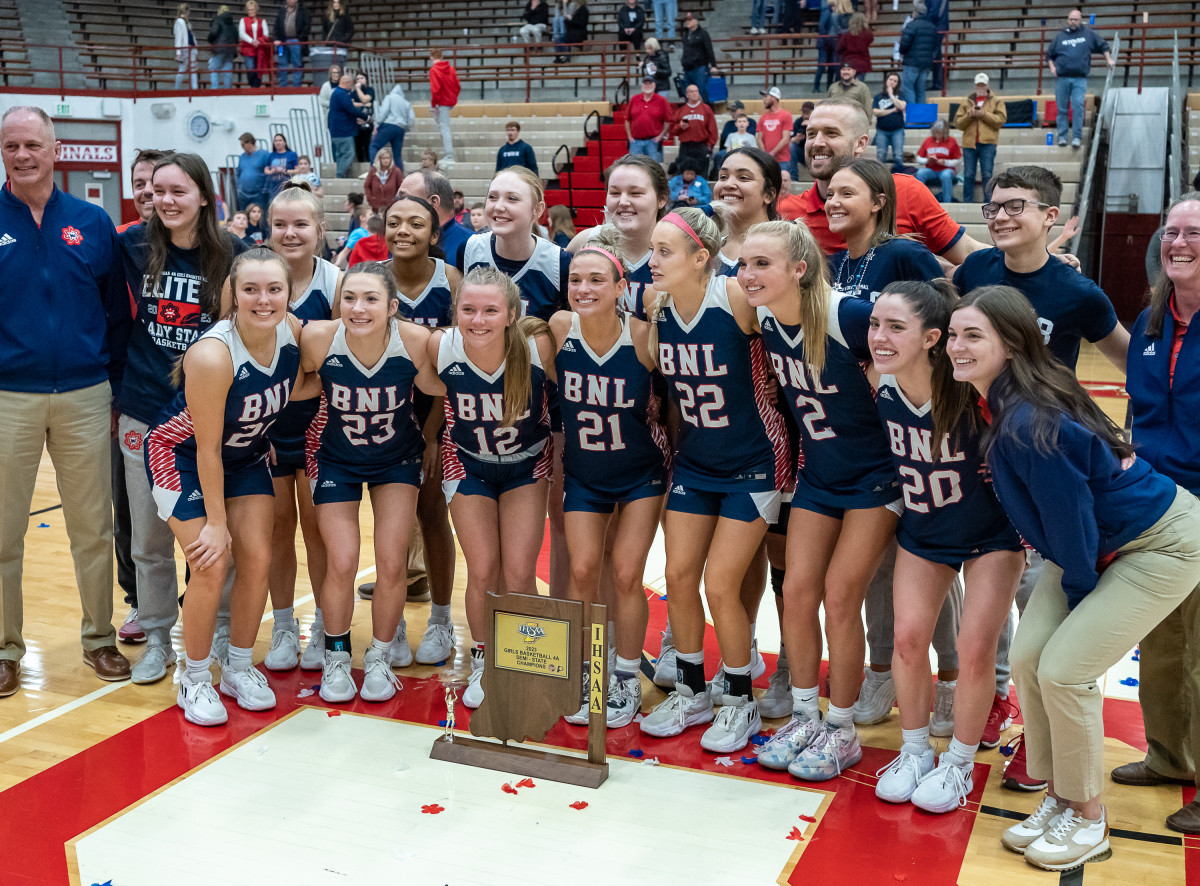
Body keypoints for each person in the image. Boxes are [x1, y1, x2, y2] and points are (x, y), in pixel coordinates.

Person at [949, 285, 1200, 872]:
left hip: (1161, 543)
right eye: (954, 334)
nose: (957, 347)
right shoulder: (1006, 398)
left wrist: (1083, 593)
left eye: (973, 336)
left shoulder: (1026, 419)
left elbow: (1072, 518)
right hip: (1099, 543)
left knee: (1065, 669)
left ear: (1012, 344)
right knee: (1034, 656)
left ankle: (1089, 819)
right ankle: (1059, 796)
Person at [862, 280, 1025, 814]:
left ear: (933, 338)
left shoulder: (965, 385)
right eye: (874, 325)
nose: (879, 338)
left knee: (976, 649)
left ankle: (957, 762)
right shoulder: (876, 379)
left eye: (894, 327)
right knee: (908, 640)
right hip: (925, 527)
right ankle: (914, 752)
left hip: (989, 534)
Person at [637, 206, 791, 753]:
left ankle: (741, 700)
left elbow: (790, 346)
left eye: (664, 252)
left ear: (700, 258)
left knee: (720, 584)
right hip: (697, 461)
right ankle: (692, 689)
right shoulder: (657, 309)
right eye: (652, 251)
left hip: (754, 461)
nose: (651, 261)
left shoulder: (734, 298)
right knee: (678, 577)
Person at [0, 107, 132, 696]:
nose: (22, 155)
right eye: (11, 146)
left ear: (55, 149)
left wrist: (112, 388)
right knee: (3, 533)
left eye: (32, 144)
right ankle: (5, 649)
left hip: (85, 394)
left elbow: (114, 312)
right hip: (9, 397)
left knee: (92, 529)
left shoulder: (92, 222)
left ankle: (99, 639)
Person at [145, 249, 306, 725]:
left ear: (288, 294)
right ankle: (194, 678)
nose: (263, 299)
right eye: (250, 289)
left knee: (259, 556)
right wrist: (216, 523)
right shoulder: (213, 355)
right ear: (232, 294)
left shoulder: (292, 333)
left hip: (246, 454)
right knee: (212, 564)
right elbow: (207, 448)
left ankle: (237, 665)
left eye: (274, 289)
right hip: (184, 459)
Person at [119, 151, 249, 684]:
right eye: (157, 191)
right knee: (148, 539)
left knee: (215, 535)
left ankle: (219, 627)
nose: (165, 201)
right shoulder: (131, 247)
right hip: (144, 409)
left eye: (178, 191)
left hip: (211, 418)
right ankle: (156, 638)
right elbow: (110, 319)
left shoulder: (232, 254)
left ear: (203, 197)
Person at [299, 263, 440, 702]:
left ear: (392, 307)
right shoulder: (318, 338)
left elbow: (446, 388)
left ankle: (379, 656)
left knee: (392, 561)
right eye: (349, 298)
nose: (358, 308)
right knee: (341, 561)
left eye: (371, 299)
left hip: (396, 459)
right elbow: (294, 383)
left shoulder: (415, 341)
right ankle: (337, 657)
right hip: (334, 457)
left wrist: (432, 436)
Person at [549, 228, 669, 726]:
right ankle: (584, 670)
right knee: (581, 572)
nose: (584, 288)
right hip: (583, 473)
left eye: (597, 279)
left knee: (625, 573)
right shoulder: (557, 327)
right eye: (576, 279)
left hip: (641, 472)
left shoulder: (644, 336)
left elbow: (673, 403)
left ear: (622, 288)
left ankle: (622, 677)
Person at [430, 267, 555, 709]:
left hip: (526, 464)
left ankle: (524, 659)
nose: (477, 320)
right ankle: (484, 659)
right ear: (455, 312)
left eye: (489, 310)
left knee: (520, 570)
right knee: (482, 568)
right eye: (468, 309)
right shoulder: (440, 345)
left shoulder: (537, 348)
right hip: (468, 463)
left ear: (511, 315)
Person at [1116, 193, 1200, 834]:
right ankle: (1172, 757)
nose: (1178, 242)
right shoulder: (1151, 319)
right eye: (1171, 232)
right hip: (1156, 504)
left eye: (1193, 233)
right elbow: (1137, 415)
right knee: (1162, 640)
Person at [465, 168, 572, 595]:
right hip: (482, 416)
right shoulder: (470, 249)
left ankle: (570, 624)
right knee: (486, 554)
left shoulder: (558, 262)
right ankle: (486, 645)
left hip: (546, 415)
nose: (499, 206)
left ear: (538, 210)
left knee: (559, 521)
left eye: (512, 198)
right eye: (493, 197)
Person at [375, 194, 463, 664]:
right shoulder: (370, 275)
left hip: (437, 415)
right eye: (394, 223)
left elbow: (452, 368)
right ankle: (389, 631)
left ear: (434, 235)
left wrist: (431, 434)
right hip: (379, 416)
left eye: (415, 223)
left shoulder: (449, 280)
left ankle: (442, 620)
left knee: (431, 515)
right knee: (389, 527)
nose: (402, 230)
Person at [259, 186, 340, 673]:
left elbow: (335, 364)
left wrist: (292, 383)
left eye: (300, 225)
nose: (290, 233)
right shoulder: (250, 278)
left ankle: (326, 627)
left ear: (319, 231)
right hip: (263, 425)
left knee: (318, 532)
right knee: (275, 531)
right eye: (280, 225)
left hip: (319, 425)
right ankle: (284, 624)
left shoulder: (335, 283)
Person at [952, 166, 1127, 371]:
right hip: (979, 402)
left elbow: (1131, 362)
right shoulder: (976, 267)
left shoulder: (1080, 293)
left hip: (1044, 402)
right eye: (994, 208)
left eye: (1015, 206)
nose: (999, 217)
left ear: (1050, 215)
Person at [795, 100, 983, 262]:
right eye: (811, 134)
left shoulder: (905, 191)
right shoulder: (789, 213)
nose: (817, 142)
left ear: (860, 143)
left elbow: (968, 253)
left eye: (831, 133)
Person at [567, 153, 670, 320]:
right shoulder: (584, 242)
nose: (623, 201)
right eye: (614, 193)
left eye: (635, 193)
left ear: (662, 199)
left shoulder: (678, 250)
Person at [1046, 8, 1114, 148]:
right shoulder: (1060, 37)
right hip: (1062, 79)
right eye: (1071, 19)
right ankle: (1062, 137)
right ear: (1067, 20)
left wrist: (1109, 59)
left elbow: (1103, 45)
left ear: (1080, 20)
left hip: (1079, 78)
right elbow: (1049, 55)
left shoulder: (1088, 34)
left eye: (1076, 20)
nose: (1073, 22)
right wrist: (1052, 67)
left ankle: (1077, 137)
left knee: (1078, 106)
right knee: (1062, 108)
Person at [398, 168, 473, 270]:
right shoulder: (399, 239)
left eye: (403, 197)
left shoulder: (472, 246)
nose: (397, 204)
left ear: (433, 202)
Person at [953, 73, 1007, 203]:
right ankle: (967, 203)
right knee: (968, 175)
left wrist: (984, 114)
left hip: (988, 143)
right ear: (975, 85)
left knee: (987, 174)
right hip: (969, 144)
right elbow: (957, 123)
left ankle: (989, 203)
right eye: (978, 85)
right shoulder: (967, 102)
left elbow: (1001, 120)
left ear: (987, 85)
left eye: (983, 85)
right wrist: (970, 114)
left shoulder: (996, 101)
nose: (980, 87)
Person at [328, 72, 369, 178]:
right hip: (343, 131)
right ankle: (340, 176)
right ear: (346, 83)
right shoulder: (341, 94)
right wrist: (366, 117)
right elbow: (350, 109)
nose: (352, 86)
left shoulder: (337, 93)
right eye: (351, 83)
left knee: (341, 155)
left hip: (337, 131)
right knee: (348, 154)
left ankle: (342, 175)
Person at [670, 83, 718, 172]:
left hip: (701, 145)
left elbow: (713, 130)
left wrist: (709, 145)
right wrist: (680, 126)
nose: (695, 93)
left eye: (696, 91)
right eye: (692, 92)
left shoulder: (706, 109)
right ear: (687, 95)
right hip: (685, 146)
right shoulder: (681, 110)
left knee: (702, 173)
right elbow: (672, 131)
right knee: (684, 173)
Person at [899, 0, 937, 104]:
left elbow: (904, 44)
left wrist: (902, 52)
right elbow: (935, 45)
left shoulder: (911, 25)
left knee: (908, 88)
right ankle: (920, 117)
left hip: (911, 61)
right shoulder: (932, 27)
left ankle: (911, 115)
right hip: (926, 63)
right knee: (921, 89)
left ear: (915, 12)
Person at [626, 75, 672, 163]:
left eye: (650, 83)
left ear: (655, 85)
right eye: (645, 83)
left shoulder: (662, 100)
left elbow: (667, 120)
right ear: (642, 86)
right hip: (635, 142)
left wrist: (660, 136)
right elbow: (627, 119)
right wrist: (629, 136)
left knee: (654, 169)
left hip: (653, 142)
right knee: (634, 169)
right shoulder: (634, 99)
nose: (647, 85)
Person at [915, 119, 961, 203]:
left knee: (946, 176)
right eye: (936, 132)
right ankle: (920, 201)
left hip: (946, 169)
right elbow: (918, 158)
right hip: (931, 169)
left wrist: (945, 162)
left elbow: (958, 160)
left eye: (940, 133)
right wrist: (927, 160)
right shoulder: (928, 140)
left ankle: (947, 201)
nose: (937, 135)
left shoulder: (951, 141)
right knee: (920, 173)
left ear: (945, 132)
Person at [428, 49, 460, 168]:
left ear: (432, 58)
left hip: (442, 102)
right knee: (443, 126)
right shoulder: (451, 69)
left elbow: (435, 90)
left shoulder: (434, 70)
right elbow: (457, 86)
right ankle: (448, 153)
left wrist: (434, 104)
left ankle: (449, 155)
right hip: (449, 101)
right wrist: (452, 99)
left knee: (445, 128)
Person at [873, 72, 907, 174]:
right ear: (886, 81)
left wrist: (891, 95)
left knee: (898, 155)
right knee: (881, 154)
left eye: (895, 81)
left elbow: (901, 106)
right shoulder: (878, 96)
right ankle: (880, 177)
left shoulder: (901, 95)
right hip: (882, 130)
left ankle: (898, 177)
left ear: (898, 83)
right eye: (890, 79)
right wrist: (892, 110)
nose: (892, 82)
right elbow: (876, 112)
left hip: (897, 130)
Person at [679, 12, 716, 103]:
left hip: (699, 67)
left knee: (701, 91)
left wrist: (713, 65)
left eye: (690, 20)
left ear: (696, 21)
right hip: (687, 67)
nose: (687, 22)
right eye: (687, 20)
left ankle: (705, 111)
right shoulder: (686, 34)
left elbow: (709, 49)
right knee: (688, 92)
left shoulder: (703, 34)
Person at [273, 0, 311, 88]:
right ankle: (283, 87)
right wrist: (276, 39)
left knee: (297, 64)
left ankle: (296, 87)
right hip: (282, 42)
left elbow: (307, 26)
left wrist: (299, 39)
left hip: (295, 41)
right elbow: (276, 26)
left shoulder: (303, 11)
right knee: (282, 64)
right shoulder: (281, 11)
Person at [756, 87, 793, 169]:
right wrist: (765, 154)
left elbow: (786, 138)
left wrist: (772, 153)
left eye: (766, 96)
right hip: (766, 159)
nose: (764, 100)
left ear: (774, 97)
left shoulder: (786, 115)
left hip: (782, 159)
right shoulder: (763, 117)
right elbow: (759, 138)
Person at [238, 0, 270, 88]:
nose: (250, 12)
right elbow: (242, 33)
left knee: (258, 68)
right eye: (249, 10)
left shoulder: (262, 21)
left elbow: (266, 33)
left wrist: (258, 41)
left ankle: (257, 86)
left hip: (260, 48)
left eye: (252, 9)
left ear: (256, 10)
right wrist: (252, 41)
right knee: (250, 68)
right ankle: (252, 86)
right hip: (248, 48)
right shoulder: (243, 20)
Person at [207, 4, 239, 90]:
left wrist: (210, 40)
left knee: (214, 70)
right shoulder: (232, 23)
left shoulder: (217, 20)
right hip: (230, 50)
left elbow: (213, 33)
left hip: (219, 48)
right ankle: (227, 91)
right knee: (227, 71)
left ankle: (215, 90)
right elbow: (236, 37)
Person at [236, 133, 270, 210]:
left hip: (259, 194)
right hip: (243, 194)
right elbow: (238, 172)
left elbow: (268, 172)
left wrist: (264, 189)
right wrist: (239, 187)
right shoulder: (242, 156)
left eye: (243, 145)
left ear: (250, 143)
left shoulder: (264, 154)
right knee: (244, 217)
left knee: (259, 218)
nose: (242, 147)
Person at [837, 12, 874, 81]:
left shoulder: (846, 34)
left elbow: (839, 49)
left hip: (849, 61)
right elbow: (870, 40)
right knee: (860, 86)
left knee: (848, 85)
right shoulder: (867, 34)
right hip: (863, 61)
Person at [365, 146, 401, 214]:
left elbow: (401, 187)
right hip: (376, 208)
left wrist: (395, 200)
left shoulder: (396, 171)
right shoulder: (373, 170)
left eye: (388, 158)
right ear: (379, 159)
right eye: (383, 158)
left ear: (391, 159)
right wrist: (370, 198)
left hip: (391, 208)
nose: (386, 160)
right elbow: (367, 185)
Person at [351, 71, 376, 163]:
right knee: (358, 147)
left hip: (367, 123)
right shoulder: (353, 92)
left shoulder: (370, 90)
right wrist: (363, 104)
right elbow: (351, 104)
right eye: (357, 79)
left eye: (361, 78)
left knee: (367, 146)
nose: (359, 80)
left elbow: (365, 99)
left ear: (366, 80)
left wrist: (358, 90)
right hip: (356, 123)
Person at [265, 133, 299, 200]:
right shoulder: (271, 155)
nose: (278, 142)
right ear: (274, 143)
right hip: (273, 188)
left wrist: (285, 171)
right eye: (276, 141)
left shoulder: (292, 154)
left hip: (287, 187)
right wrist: (272, 171)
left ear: (285, 143)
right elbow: (266, 170)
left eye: (280, 140)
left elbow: (298, 170)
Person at [786, 100, 814, 180]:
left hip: (815, 152)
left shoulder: (818, 121)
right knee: (792, 146)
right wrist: (796, 139)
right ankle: (794, 177)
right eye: (804, 112)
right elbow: (790, 141)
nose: (805, 115)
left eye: (807, 112)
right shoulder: (798, 122)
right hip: (803, 153)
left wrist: (811, 126)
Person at [320, 0, 353, 65]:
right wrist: (325, 40)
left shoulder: (345, 16)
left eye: (338, 2)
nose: (336, 4)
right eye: (334, 2)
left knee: (341, 65)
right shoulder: (327, 17)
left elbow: (351, 31)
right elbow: (324, 30)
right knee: (330, 66)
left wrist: (342, 40)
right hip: (330, 46)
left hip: (341, 46)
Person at [174, 4, 199, 90]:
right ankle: (177, 89)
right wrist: (178, 53)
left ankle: (195, 88)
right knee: (182, 70)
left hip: (191, 49)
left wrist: (195, 48)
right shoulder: (179, 22)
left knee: (193, 69)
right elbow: (178, 38)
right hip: (185, 49)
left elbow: (192, 36)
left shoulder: (188, 23)